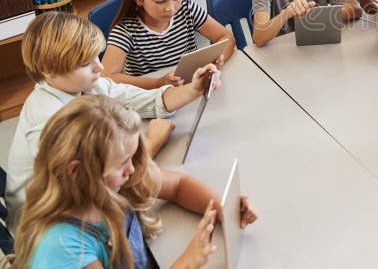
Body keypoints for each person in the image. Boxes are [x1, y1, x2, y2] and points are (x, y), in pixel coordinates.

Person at [5, 12, 221, 227]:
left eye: (96, 56)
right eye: (85, 63)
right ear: (49, 71)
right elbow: (94, 184)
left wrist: (193, 89)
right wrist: (151, 143)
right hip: (47, 224)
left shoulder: (84, 85)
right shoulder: (47, 121)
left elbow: (149, 100)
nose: (99, 67)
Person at [5, 95, 257, 268]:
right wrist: (187, 262)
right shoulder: (64, 249)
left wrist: (223, 210)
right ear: (77, 171)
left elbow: (178, 187)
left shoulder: (115, 182)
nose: (133, 168)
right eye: (122, 162)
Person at [102, 0, 235, 89]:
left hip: (188, 89)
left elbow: (226, 36)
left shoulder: (187, 9)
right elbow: (106, 77)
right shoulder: (126, 30)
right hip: (151, 97)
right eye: (160, 1)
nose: (170, 8)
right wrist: (158, 83)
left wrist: (217, 61)